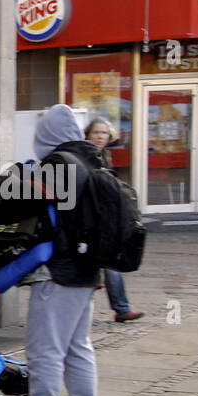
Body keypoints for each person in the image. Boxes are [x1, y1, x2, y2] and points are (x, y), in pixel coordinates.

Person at [24, 104, 103, 396]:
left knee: (46, 350)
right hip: (88, 270)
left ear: (47, 137)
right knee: (77, 347)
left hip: (58, 272)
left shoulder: (58, 166)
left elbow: (34, 217)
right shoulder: (94, 161)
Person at [84, 117, 144, 322]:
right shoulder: (85, 155)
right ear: (88, 134)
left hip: (103, 219)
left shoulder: (105, 156)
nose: (100, 137)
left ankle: (121, 308)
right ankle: (120, 308)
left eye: (104, 133)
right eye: (96, 132)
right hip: (89, 219)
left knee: (109, 263)